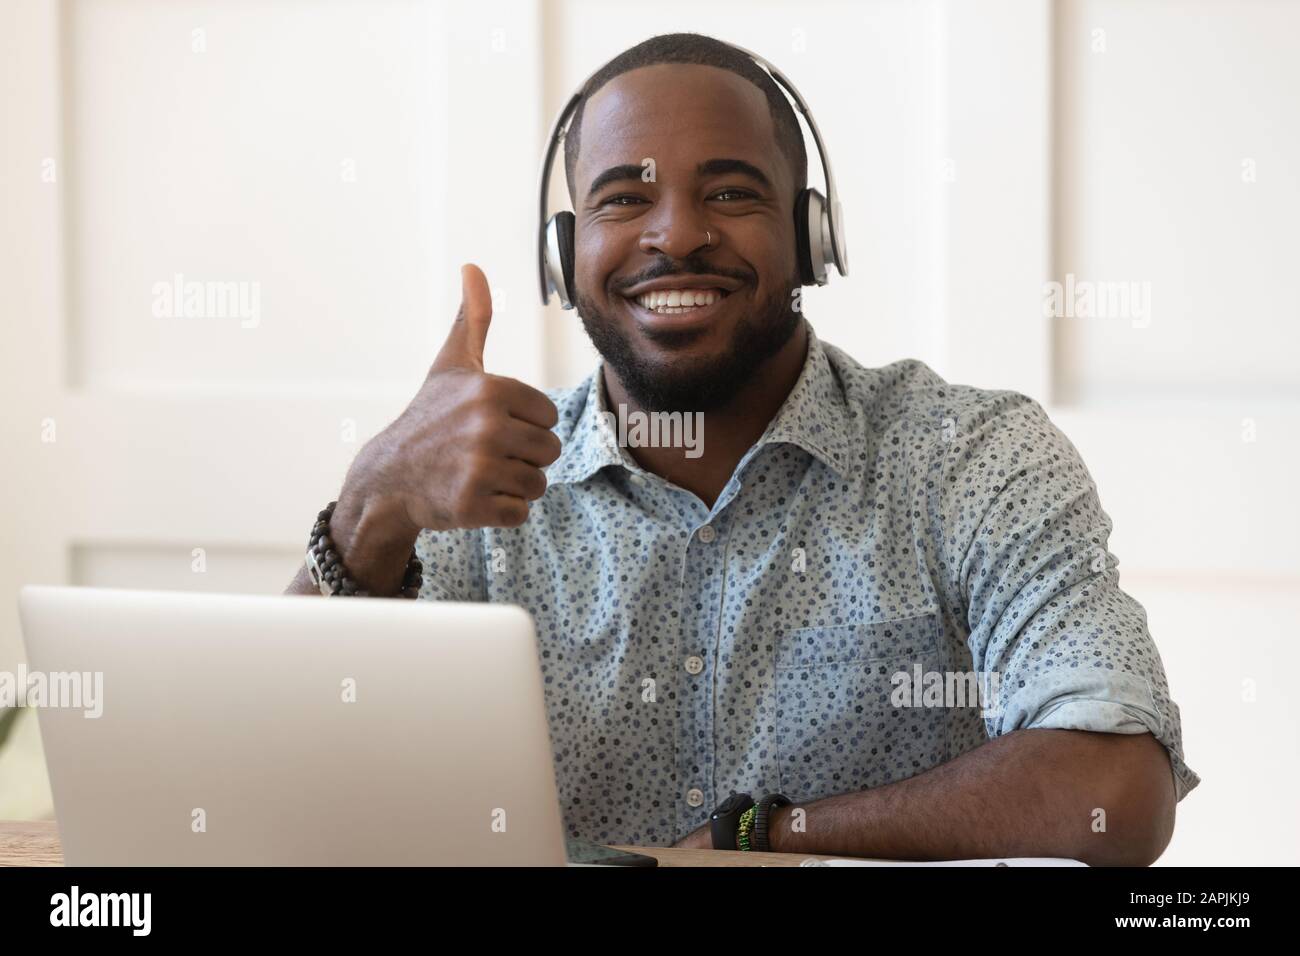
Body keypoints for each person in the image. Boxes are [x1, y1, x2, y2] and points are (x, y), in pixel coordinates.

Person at [286, 33, 1198, 864]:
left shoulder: (969, 456)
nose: (677, 234)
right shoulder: (469, 487)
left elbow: (1112, 792)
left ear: (810, 238)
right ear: (564, 255)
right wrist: (374, 502)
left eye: (729, 192)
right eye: (624, 198)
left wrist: (761, 835)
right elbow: (274, 779)